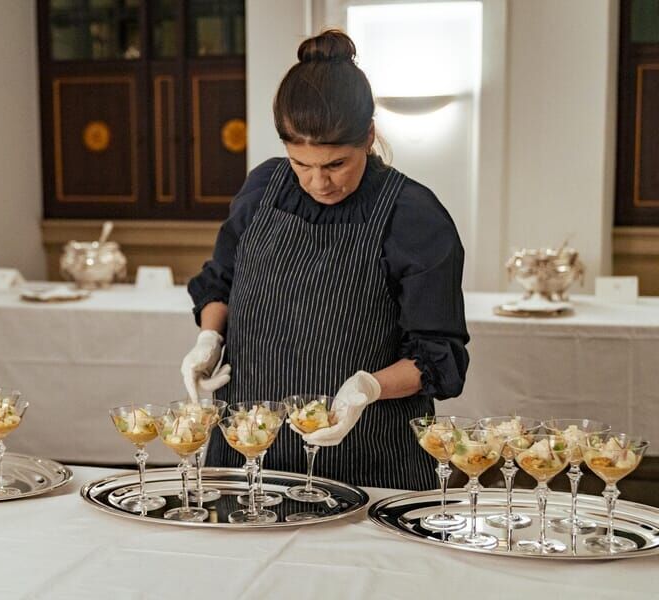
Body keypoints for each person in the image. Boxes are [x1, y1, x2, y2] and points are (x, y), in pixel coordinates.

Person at [181, 29, 468, 490]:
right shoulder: (262, 190)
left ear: (369, 136)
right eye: (301, 164)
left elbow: (437, 355)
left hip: (370, 462)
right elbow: (221, 281)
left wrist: (366, 389)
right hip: (251, 458)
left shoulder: (414, 217)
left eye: (336, 164)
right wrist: (209, 337)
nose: (318, 183)